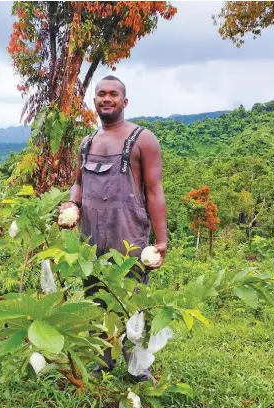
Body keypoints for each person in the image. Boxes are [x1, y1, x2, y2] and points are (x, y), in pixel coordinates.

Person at [58, 75, 167, 380]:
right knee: (97, 303)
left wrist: (161, 240)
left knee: (131, 303)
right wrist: (72, 205)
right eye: (101, 94)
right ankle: (102, 364)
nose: (107, 99)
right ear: (94, 102)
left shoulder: (142, 139)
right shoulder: (87, 143)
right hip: (92, 240)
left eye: (113, 94)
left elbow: (155, 192)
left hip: (128, 239)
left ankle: (137, 370)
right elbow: (79, 185)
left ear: (124, 101)